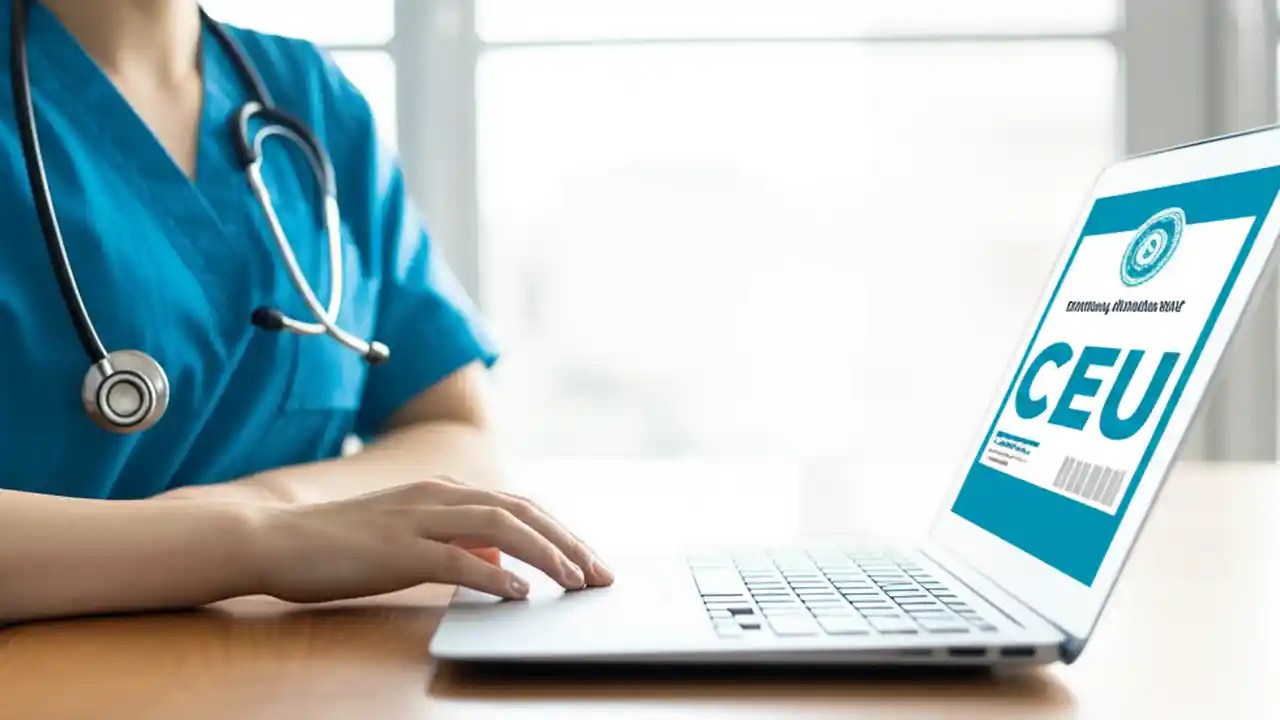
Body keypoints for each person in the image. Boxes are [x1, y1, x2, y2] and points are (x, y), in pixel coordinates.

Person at [0, 0, 611, 625]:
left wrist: (279, 510)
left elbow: (458, 436)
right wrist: (252, 540)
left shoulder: (306, 96)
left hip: (290, 667)